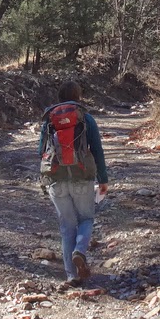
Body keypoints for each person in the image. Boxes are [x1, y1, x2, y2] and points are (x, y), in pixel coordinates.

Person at [39, 81, 108, 287]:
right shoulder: (85, 118)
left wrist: (44, 178)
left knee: (66, 226)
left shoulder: (50, 120)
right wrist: (103, 179)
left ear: (59, 97)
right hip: (82, 176)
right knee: (86, 218)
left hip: (56, 179)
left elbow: (41, 151)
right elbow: (97, 150)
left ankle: (72, 275)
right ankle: (80, 250)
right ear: (78, 96)